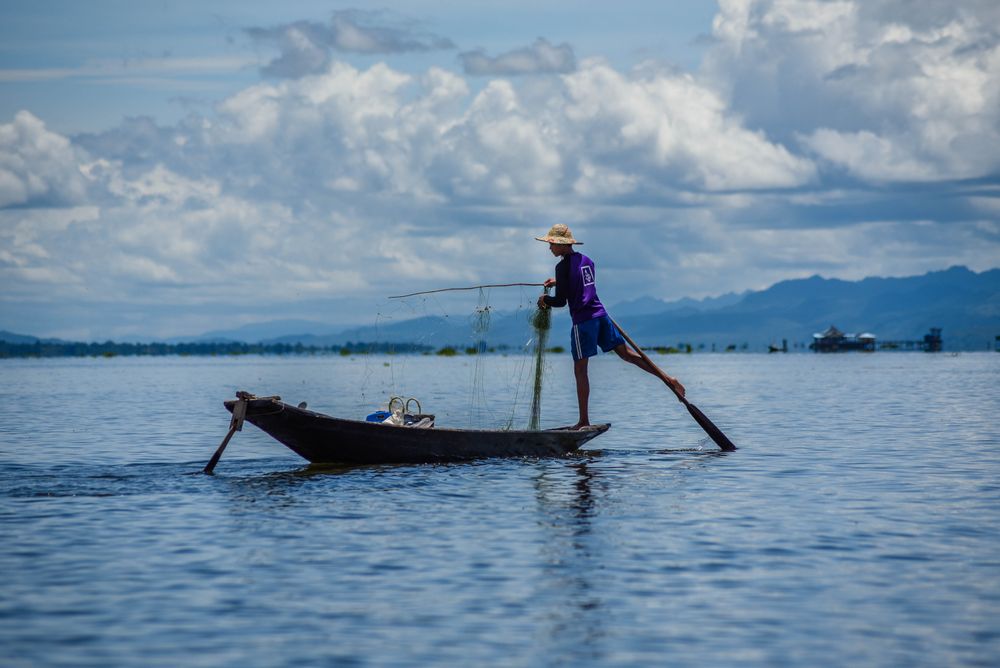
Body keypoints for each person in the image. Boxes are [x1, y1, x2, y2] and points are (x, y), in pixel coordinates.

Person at [535, 223, 685, 429]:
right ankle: (669, 379)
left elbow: (561, 301)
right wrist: (559, 282)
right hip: (601, 316)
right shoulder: (587, 261)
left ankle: (583, 420)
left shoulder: (562, 268)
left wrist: (545, 300)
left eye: (552, 243)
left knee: (580, 370)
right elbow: (579, 284)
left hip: (583, 321)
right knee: (628, 355)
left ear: (561, 244)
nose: (549, 247)